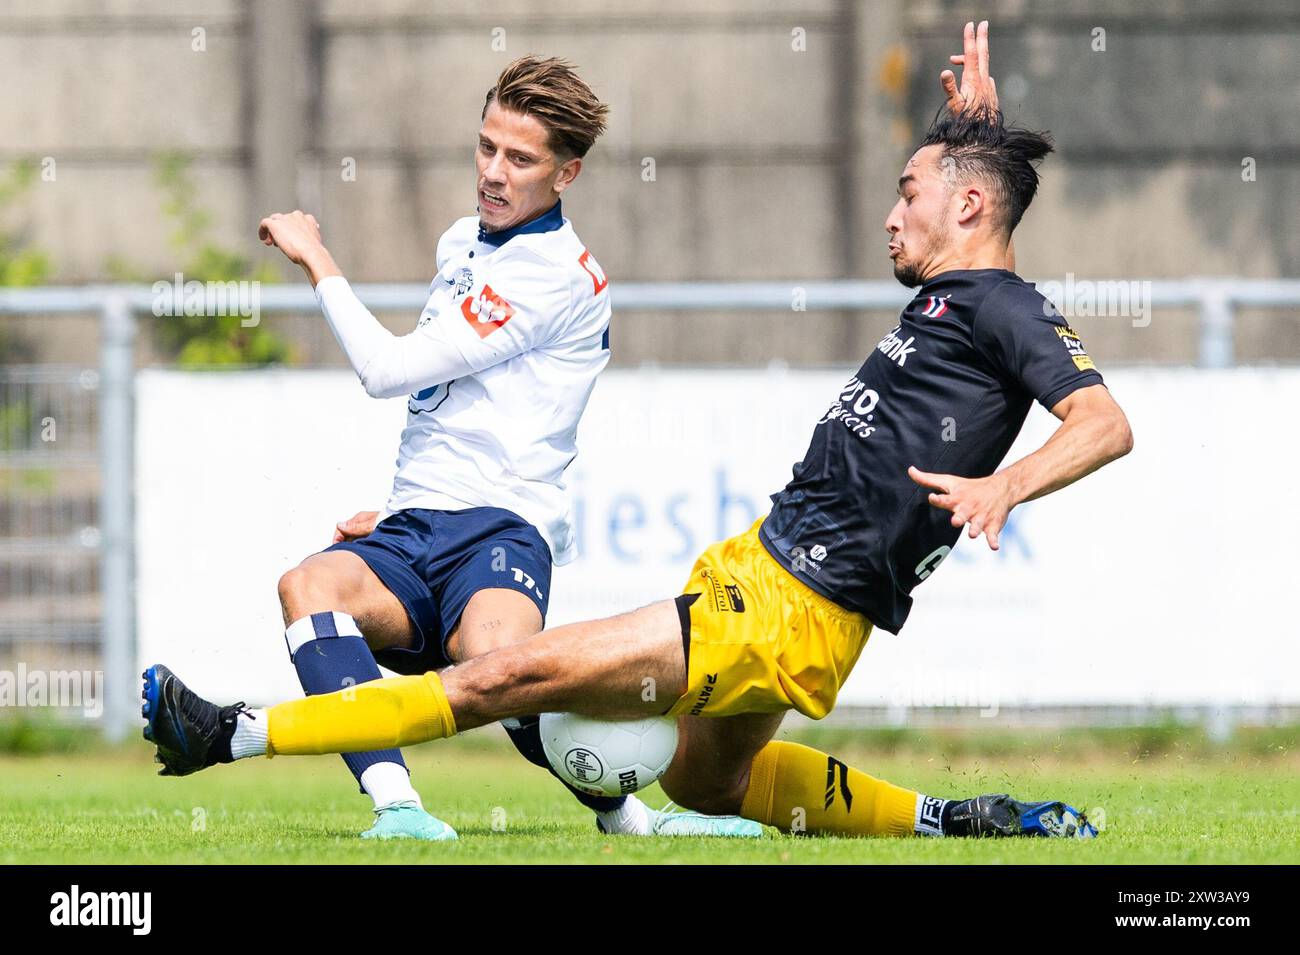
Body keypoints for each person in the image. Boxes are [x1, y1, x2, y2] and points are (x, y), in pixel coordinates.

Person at [146, 22, 1130, 840]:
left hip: (787, 600)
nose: (889, 215)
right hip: (772, 577)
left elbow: (1102, 420)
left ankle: (230, 735)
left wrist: (1007, 485)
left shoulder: (1000, 304)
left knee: (507, 673)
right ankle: (958, 819)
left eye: (907, 194)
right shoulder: (967, 294)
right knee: (708, 784)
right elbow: (983, 222)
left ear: (962, 206)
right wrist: (973, 133)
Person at [250, 55, 756, 840]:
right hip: (416, 524)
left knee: (493, 656)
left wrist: (317, 260)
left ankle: (628, 816)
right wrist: (401, 508)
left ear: (567, 173)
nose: (493, 171)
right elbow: (449, 401)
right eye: (486, 147)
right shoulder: (462, 242)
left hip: (501, 526)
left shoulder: (554, 275)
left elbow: (387, 373)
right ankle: (400, 810)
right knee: (307, 586)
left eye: (519, 159)